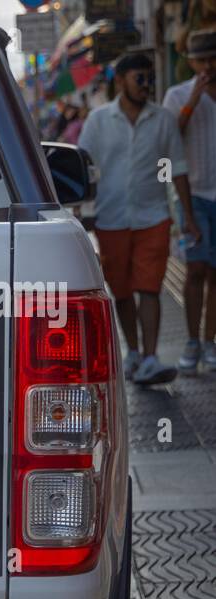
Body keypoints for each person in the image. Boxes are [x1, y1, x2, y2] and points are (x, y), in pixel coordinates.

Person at [79, 53, 203, 386]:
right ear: (120, 81)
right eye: (140, 78)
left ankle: (150, 358)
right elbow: (85, 168)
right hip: (111, 218)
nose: (147, 85)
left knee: (150, 289)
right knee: (120, 290)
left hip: (154, 217)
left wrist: (187, 218)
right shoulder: (98, 120)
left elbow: (176, 168)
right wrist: (80, 212)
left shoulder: (162, 119)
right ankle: (132, 351)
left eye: (150, 78)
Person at [164, 29, 216, 372]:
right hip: (192, 194)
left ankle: (210, 341)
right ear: (192, 63)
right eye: (202, 60)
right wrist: (191, 102)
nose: (208, 66)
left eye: (213, 59)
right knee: (195, 268)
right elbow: (169, 140)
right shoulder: (177, 95)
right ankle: (192, 340)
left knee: (215, 272)